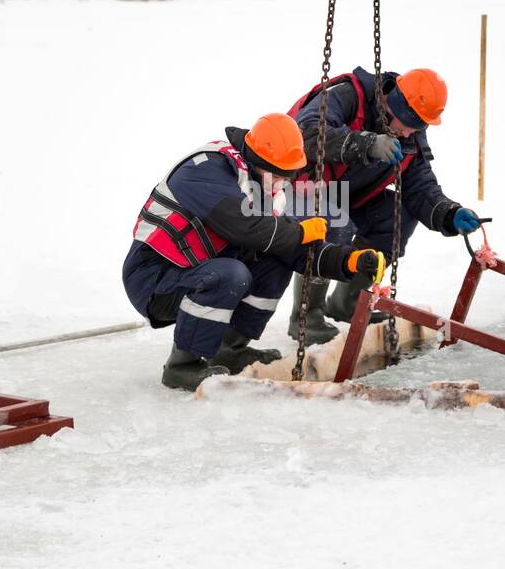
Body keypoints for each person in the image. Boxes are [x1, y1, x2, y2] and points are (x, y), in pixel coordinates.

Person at [123, 112, 385, 390]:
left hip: (200, 271)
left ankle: (229, 348)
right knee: (231, 274)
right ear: (257, 161)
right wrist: (299, 232)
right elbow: (242, 226)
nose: (281, 183)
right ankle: (182, 366)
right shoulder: (205, 168)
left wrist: (348, 261)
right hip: (154, 278)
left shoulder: (266, 190)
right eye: (277, 174)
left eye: (288, 176)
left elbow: (294, 249)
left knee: (275, 261)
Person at [285, 66, 480, 342]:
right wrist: (366, 144)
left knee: (398, 213)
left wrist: (448, 213)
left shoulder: (409, 133)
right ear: (395, 105)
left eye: (419, 126)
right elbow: (306, 135)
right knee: (331, 221)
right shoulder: (348, 95)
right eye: (410, 122)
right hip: (294, 189)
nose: (410, 132)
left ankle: (350, 300)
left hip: (345, 195)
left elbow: (420, 185)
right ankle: (307, 314)